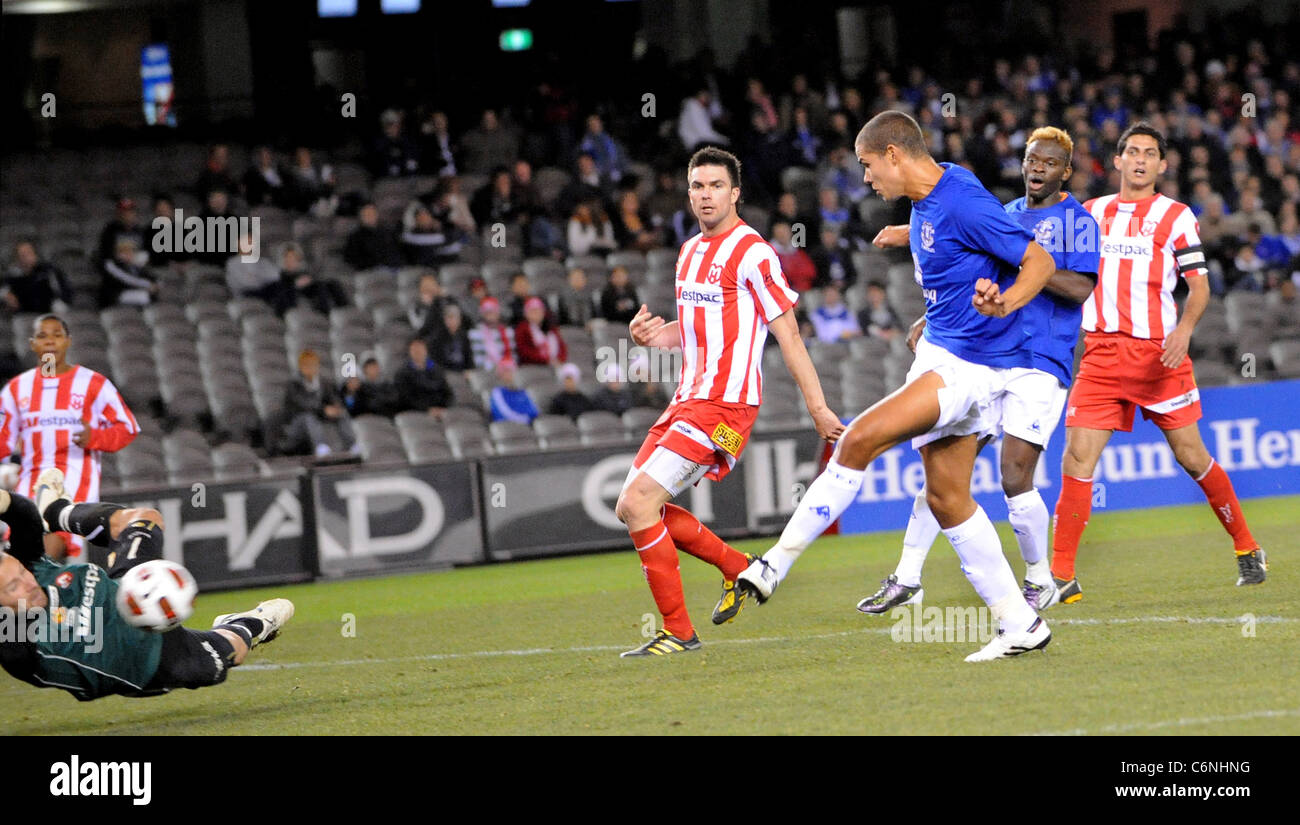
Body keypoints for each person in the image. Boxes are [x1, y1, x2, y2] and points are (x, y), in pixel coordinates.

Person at [732, 111, 1056, 662]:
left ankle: (773, 564)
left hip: (968, 367)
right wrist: (919, 262)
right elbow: (967, 238)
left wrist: (1006, 302)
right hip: (944, 350)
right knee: (947, 499)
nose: (865, 179)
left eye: (866, 165)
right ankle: (1019, 622)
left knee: (857, 439)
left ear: (894, 155)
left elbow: (1037, 258)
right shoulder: (936, 194)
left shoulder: (958, 199)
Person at [859, 126, 1100, 614]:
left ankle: (1039, 578)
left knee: (1013, 474)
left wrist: (1028, 260)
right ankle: (907, 575)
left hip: (1042, 358)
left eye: (1049, 162)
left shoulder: (1078, 222)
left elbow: (1079, 289)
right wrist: (930, 318)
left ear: (1065, 172)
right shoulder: (1007, 213)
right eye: (1032, 159)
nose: (1037, 168)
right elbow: (974, 262)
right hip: (989, 354)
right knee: (946, 464)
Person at [615, 146, 843, 658]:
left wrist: (818, 408)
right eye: (697, 187)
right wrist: (652, 337)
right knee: (631, 509)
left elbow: (788, 335)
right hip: (687, 399)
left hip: (726, 408)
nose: (705, 195)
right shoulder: (689, 252)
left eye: (716, 186)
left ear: (735, 193)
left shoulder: (753, 252)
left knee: (638, 502)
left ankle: (678, 631)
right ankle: (740, 569)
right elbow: (697, 332)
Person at [1052, 123, 1268, 595]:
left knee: (1193, 458)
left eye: (1150, 153)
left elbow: (1200, 285)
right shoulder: (1091, 214)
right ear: (1117, 160)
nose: (1140, 159)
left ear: (1162, 165)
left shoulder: (1177, 217)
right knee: (1076, 458)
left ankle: (1247, 547)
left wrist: (1184, 330)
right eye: (1132, 151)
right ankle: (1061, 576)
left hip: (1158, 357)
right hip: (1102, 355)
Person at [0, 473, 293, 701]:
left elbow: (20, 512)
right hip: (148, 661)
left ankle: (57, 511)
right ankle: (244, 624)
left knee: (145, 520)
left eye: (22, 573)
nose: (28, 583)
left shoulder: (30, 567)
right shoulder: (15, 643)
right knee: (232, 652)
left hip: (129, 591)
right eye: (13, 586)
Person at [0, 315, 140, 561]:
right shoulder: (16, 388)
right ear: (32, 344)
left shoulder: (94, 384)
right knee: (20, 554)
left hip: (74, 478)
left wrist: (95, 437)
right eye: (43, 336)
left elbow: (128, 428)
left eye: (57, 335)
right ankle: (40, 598)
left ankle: (36, 594)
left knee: (45, 549)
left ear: (68, 341)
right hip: (30, 480)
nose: (50, 341)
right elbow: (3, 439)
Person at [282, 350, 358, 457]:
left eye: (313, 364)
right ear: (301, 367)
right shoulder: (293, 385)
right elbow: (303, 404)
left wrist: (336, 407)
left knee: (342, 414)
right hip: (297, 422)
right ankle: (320, 446)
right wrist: (323, 410)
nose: (311, 368)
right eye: (307, 365)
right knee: (309, 417)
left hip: (319, 414)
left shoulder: (323, 383)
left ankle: (352, 445)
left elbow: (333, 398)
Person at [4, 240, 72, 314]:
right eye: (21, 255)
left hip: (49, 313)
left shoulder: (48, 271)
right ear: (17, 258)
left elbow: (65, 290)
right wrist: (6, 295)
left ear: (35, 254)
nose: (25, 258)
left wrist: (61, 304)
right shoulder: (12, 275)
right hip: (23, 315)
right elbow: (5, 290)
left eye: (28, 253)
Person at [394, 337, 453, 416]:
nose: (418, 352)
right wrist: (426, 409)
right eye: (414, 349)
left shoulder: (437, 370)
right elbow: (405, 397)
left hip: (440, 410)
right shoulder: (402, 374)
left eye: (421, 348)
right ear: (409, 351)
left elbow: (447, 393)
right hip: (416, 412)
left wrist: (442, 408)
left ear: (426, 350)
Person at [343, 202, 403, 271]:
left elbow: (397, 252)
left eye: (372, 213)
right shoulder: (355, 237)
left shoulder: (387, 232)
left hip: (393, 269)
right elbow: (351, 259)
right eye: (366, 214)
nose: (370, 216)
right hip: (370, 271)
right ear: (361, 216)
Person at [515, 296, 567, 366]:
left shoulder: (551, 327)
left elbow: (562, 346)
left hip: (554, 363)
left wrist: (560, 359)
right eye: (533, 311)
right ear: (526, 313)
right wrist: (545, 360)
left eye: (538, 310)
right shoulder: (522, 329)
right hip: (533, 366)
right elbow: (524, 351)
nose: (536, 313)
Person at [468, 297, 516, 370]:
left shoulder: (508, 332)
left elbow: (514, 356)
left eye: (492, 311)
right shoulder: (475, 334)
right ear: (482, 314)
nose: (490, 315)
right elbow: (478, 360)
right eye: (487, 312)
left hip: (508, 371)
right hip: (486, 373)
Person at [488, 359, 538, 424]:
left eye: (513, 371)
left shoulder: (522, 391)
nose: (512, 374)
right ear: (500, 374)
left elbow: (533, 410)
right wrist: (527, 420)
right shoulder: (497, 393)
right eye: (508, 371)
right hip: (509, 426)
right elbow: (505, 413)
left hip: (528, 424)